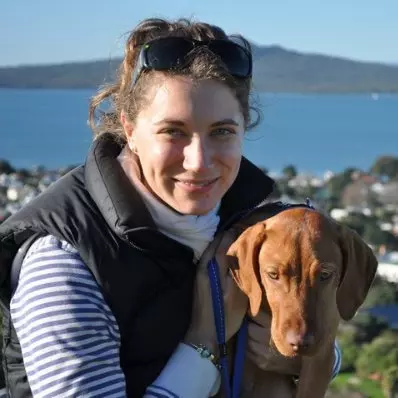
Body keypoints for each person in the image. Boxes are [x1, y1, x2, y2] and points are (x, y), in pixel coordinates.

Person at [0, 18, 340, 398]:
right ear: (129, 130)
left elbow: (313, 339)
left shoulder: (250, 221)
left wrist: (297, 353)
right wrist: (204, 341)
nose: (198, 161)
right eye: (173, 131)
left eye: (222, 132)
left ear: (244, 129)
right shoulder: (65, 261)